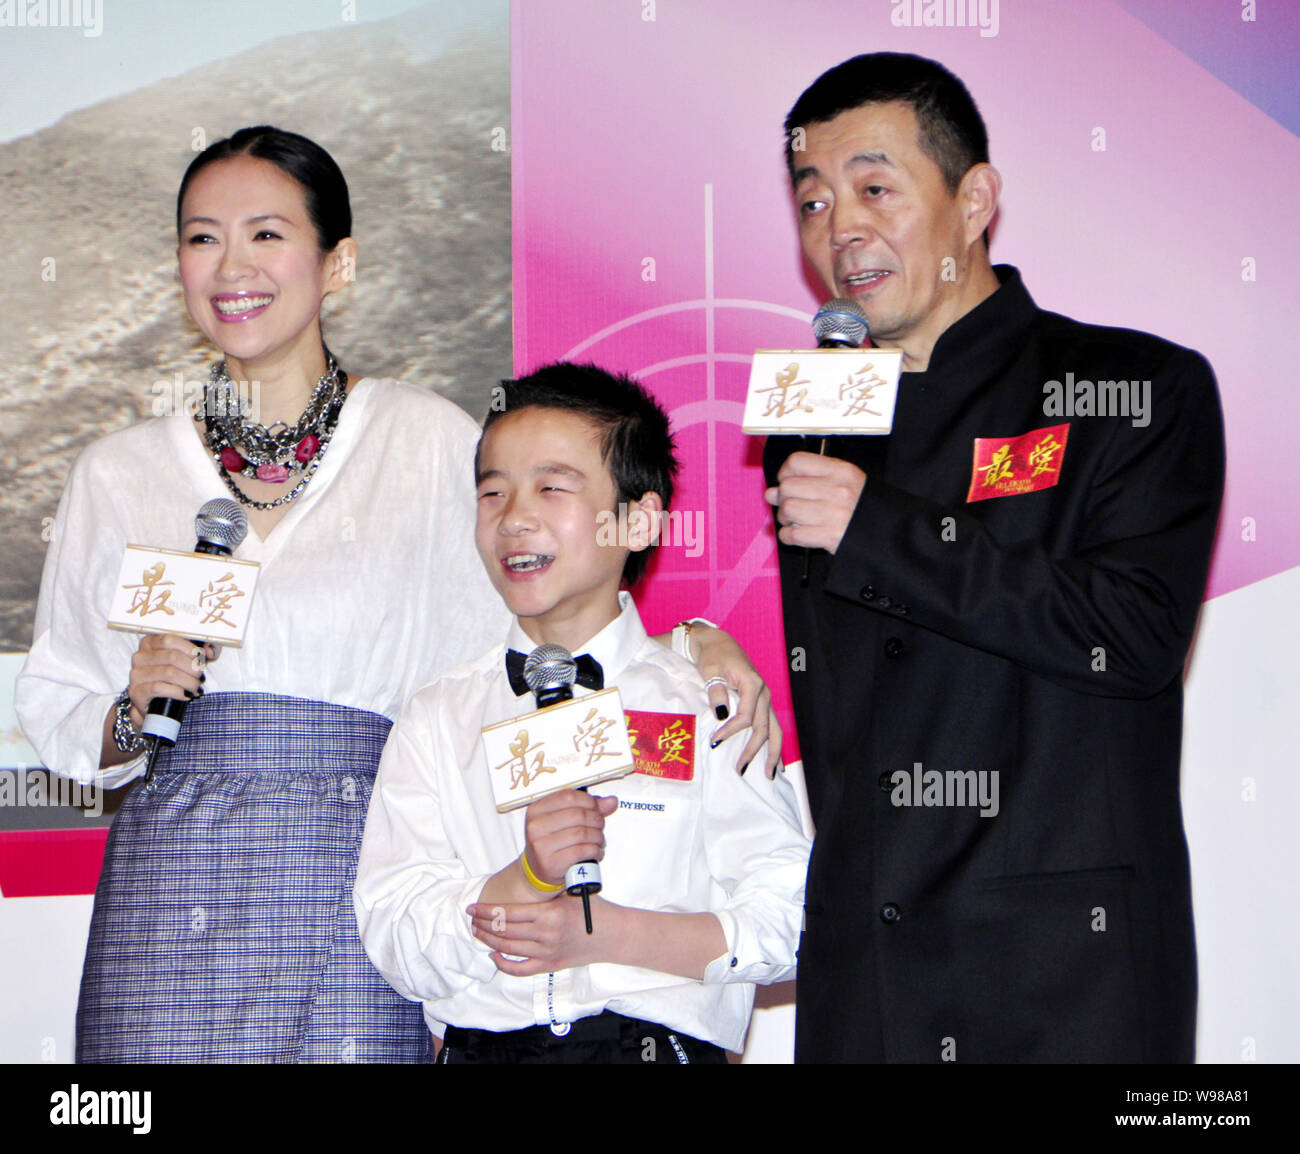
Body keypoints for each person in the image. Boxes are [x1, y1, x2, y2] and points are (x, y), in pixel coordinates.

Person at [15, 128, 776, 1063]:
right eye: (202, 237)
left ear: (338, 263)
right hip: (174, 887)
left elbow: (543, 607)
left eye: (266, 234)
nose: (231, 266)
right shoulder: (117, 472)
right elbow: (60, 708)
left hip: (360, 881)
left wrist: (696, 636)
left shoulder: (426, 441)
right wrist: (132, 713)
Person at [763, 54, 1224, 1062]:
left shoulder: (1131, 383)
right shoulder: (816, 420)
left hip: (1063, 983)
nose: (839, 229)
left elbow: (1132, 635)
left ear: (973, 200)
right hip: (865, 984)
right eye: (812, 200)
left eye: (874, 188)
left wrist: (879, 528)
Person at [355, 363, 810, 1062]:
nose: (515, 517)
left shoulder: (707, 700)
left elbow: (789, 915)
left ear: (638, 518)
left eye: (552, 487)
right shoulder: (440, 715)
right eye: (493, 492)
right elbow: (395, 934)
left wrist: (607, 936)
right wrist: (525, 881)